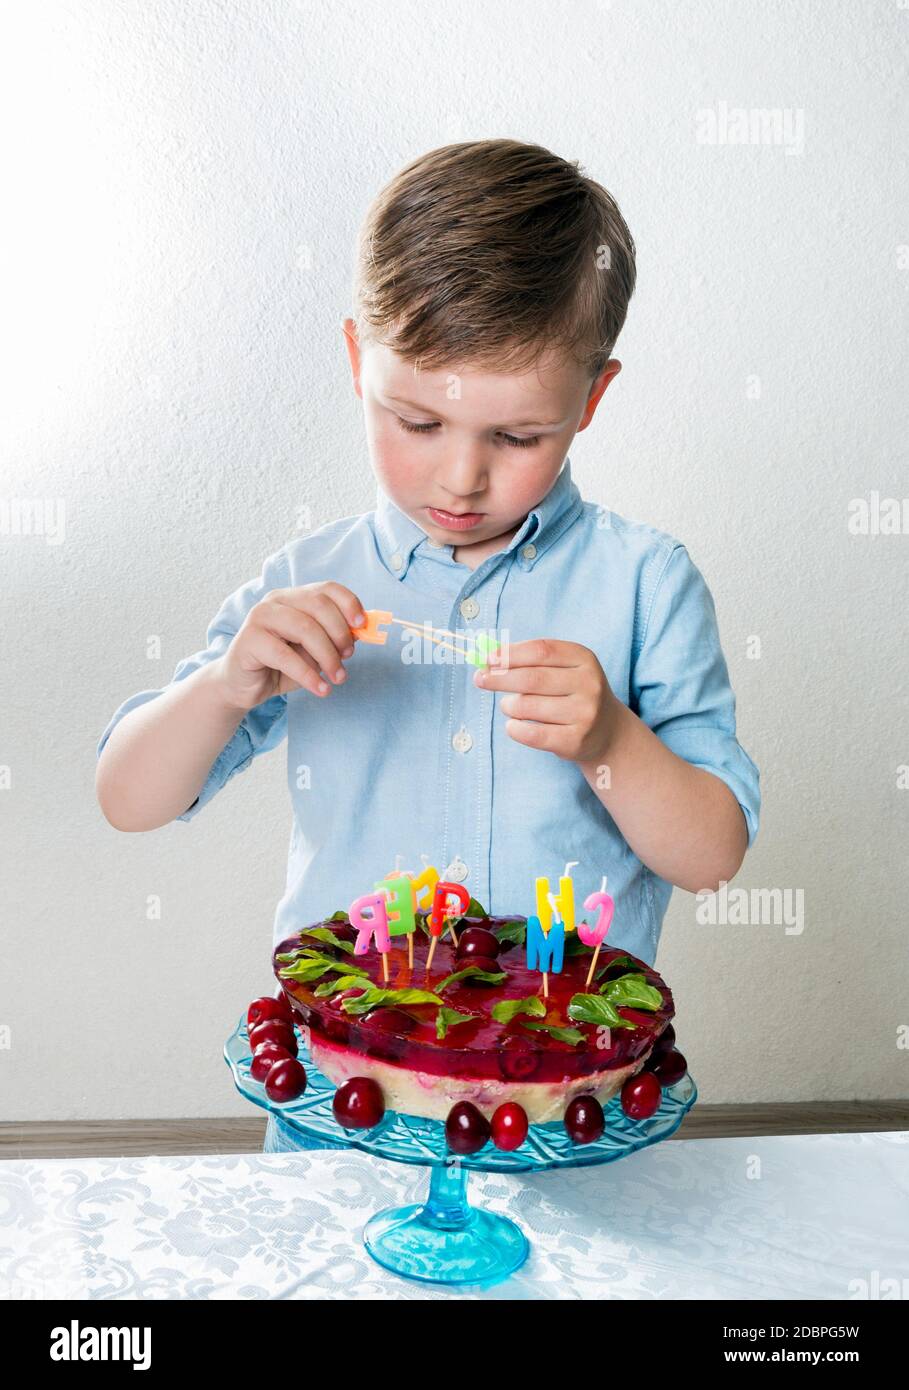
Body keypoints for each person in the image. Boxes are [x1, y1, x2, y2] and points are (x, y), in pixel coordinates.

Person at [96, 139, 760, 1154]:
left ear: (590, 401)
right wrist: (229, 684)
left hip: (562, 1130)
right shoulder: (305, 586)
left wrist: (613, 743)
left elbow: (712, 854)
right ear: (360, 362)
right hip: (342, 1124)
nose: (459, 478)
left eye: (518, 436)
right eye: (415, 419)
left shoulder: (644, 583)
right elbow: (127, 798)